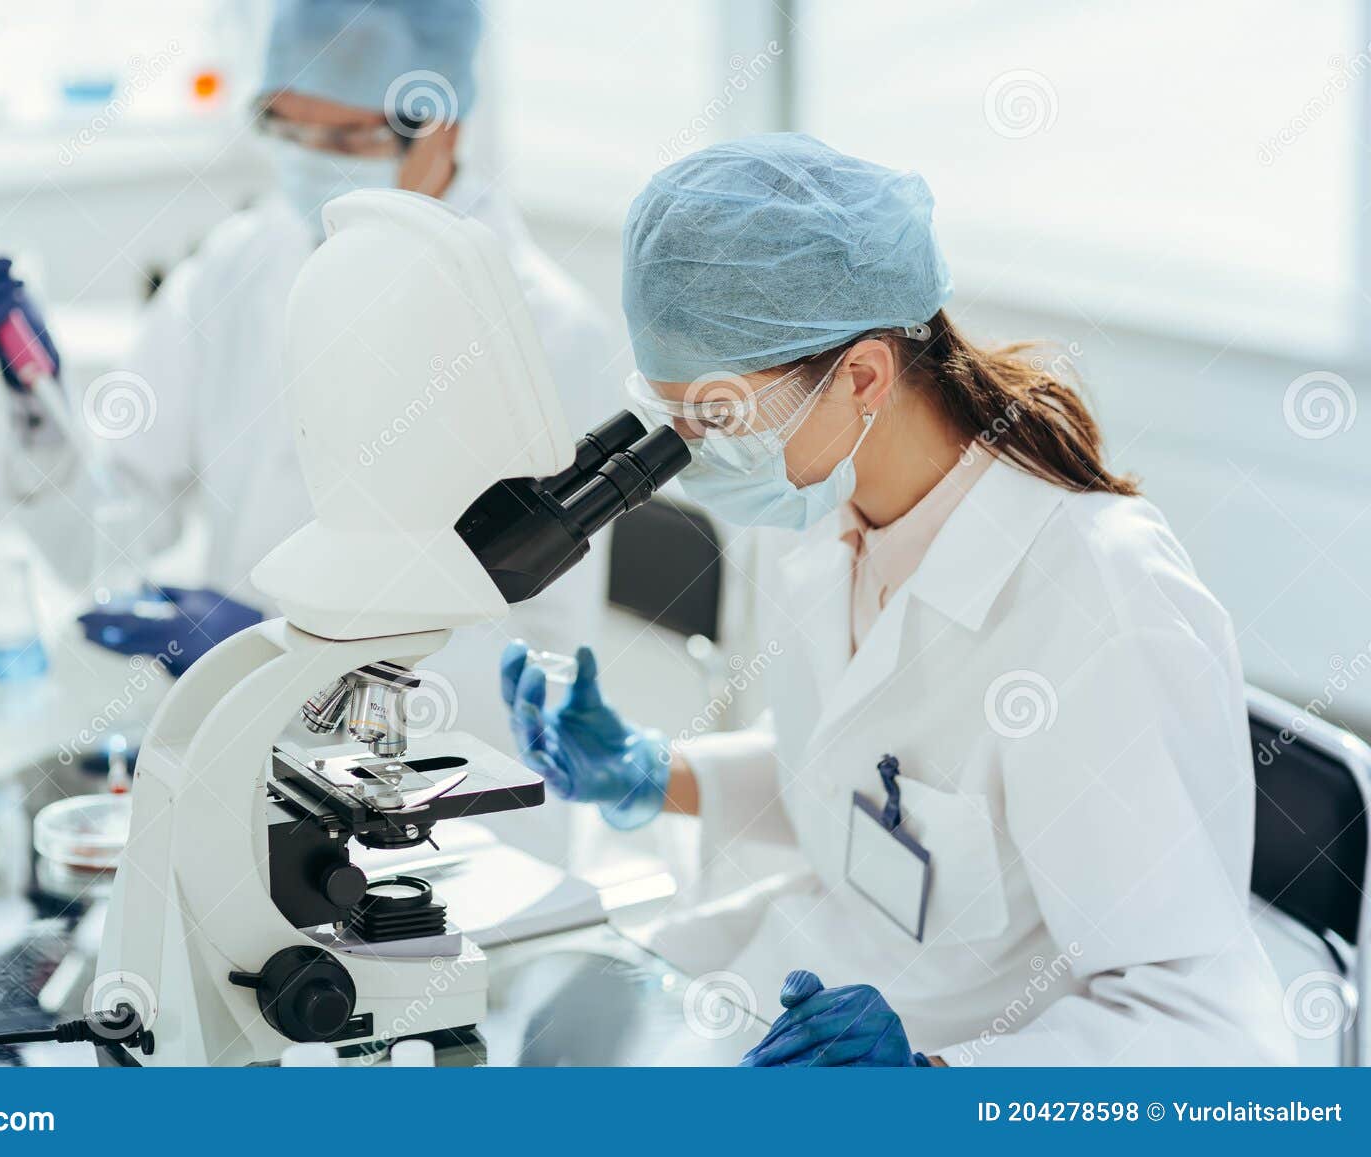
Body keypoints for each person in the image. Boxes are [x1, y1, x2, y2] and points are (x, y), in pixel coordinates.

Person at [501, 133, 1294, 1066]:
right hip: (797, 986)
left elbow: (1206, 1029)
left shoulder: (1100, 598)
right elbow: (883, 784)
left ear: (865, 376)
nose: (693, 454)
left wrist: (930, 1082)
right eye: (674, 415)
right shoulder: (828, 511)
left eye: (712, 416)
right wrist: (659, 774)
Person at [0, 0, 622, 773]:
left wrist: (283, 655)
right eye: (285, 126)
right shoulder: (238, 265)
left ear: (444, 121)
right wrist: (37, 392)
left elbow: (534, 655)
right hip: (237, 758)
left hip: (445, 805)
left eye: (342, 136)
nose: (307, 159)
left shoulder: (546, 332)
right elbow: (103, 536)